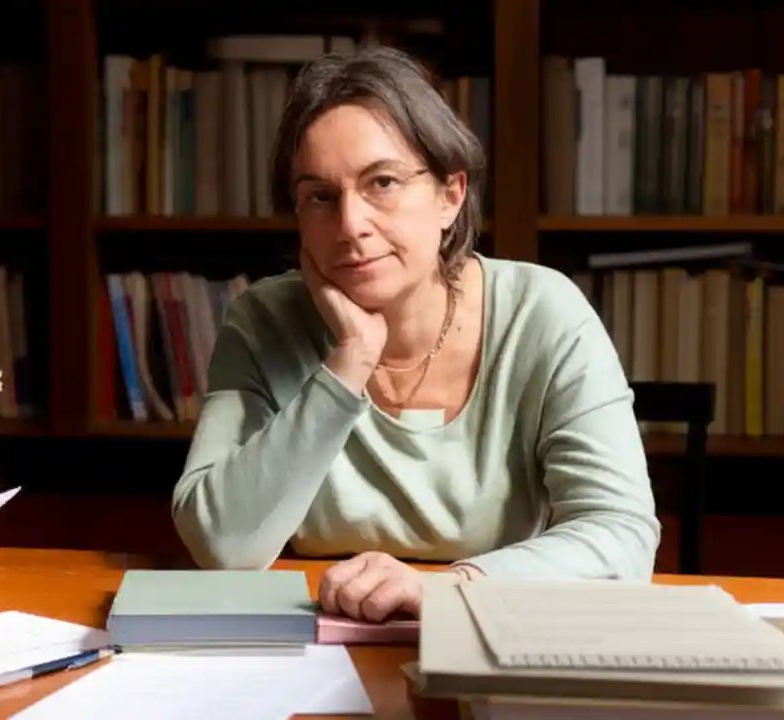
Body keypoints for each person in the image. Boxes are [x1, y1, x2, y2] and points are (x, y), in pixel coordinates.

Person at [170, 46, 659, 624]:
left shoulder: (544, 312)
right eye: (320, 197)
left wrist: (452, 588)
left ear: (450, 195)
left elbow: (622, 533)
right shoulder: (263, 320)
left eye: (382, 182)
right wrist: (349, 361)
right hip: (312, 641)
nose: (351, 225)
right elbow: (223, 545)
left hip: (496, 628)